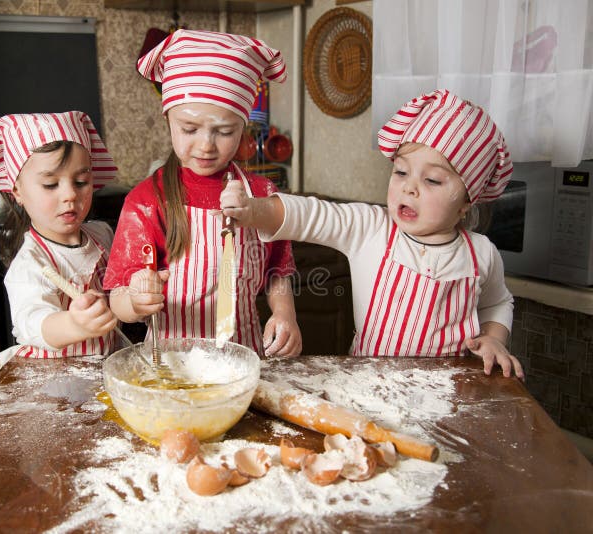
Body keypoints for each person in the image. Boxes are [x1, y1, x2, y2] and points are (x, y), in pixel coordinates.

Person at [221, 89, 525, 378]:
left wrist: (493, 337)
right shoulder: (371, 229)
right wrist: (253, 210)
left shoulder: (481, 253)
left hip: (448, 397)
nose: (409, 187)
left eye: (432, 180)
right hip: (368, 388)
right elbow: (310, 215)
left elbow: (498, 302)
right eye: (401, 172)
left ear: (466, 201)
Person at [103, 29, 302, 357]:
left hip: (244, 361)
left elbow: (276, 270)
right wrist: (135, 302)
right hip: (169, 366)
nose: (206, 145)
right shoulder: (146, 201)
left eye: (225, 131)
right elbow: (118, 300)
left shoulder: (262, 193)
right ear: (168, 119)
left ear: (243, 127)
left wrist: (285, 314)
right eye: (189, 129)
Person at [0, 111, 119, 369]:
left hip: (103, 370)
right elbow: (33, 323)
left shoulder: (103, 235)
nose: (70, 194)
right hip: (54, 379)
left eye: (81, 181)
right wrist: (75, 324)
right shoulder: (30, 264)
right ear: (17, 191)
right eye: (50, 184)